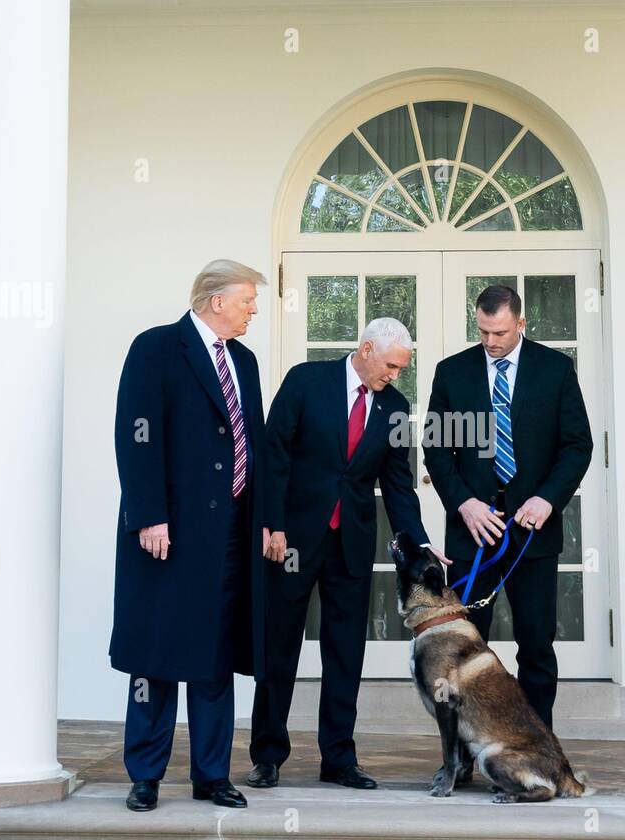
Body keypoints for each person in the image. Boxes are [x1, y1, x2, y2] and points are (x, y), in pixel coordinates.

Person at [247, 317, 445, 790]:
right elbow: (273, 455)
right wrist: (269, 524)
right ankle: (268, 755)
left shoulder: (395, 406)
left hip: (351, 546)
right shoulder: (306, 380)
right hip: (290, 541)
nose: (394, 376)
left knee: (345, 654)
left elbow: (398, 485)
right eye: (391, 366)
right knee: (279, 649)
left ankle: (338, 758)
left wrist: (418, 540)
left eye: (402, 369)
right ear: (367, 348)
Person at [110, 259, 269, 812]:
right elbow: (135, 436)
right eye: (248, 299)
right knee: (156, 656)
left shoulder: (243, 361)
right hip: (168, 534)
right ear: (216, 300)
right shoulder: (156, 348)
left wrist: (264, 518)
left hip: (230, 533)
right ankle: (147, 775)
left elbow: (257, 442)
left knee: (215, 655)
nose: (254, 309)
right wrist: (150, 515)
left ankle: (211, 775)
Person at [424, 284, 592, 783]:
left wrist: (546, 498)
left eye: (499, 332)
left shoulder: (555, 369)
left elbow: (577, 446)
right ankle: (459, 761)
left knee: (535, 644)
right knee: (460, 654)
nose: (490, 341)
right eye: (482, 331)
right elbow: (435, 450)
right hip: (473, 533)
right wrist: (465, 503)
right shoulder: (452, 373)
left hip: (531, 533)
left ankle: (539, 753)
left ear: (521, 324)